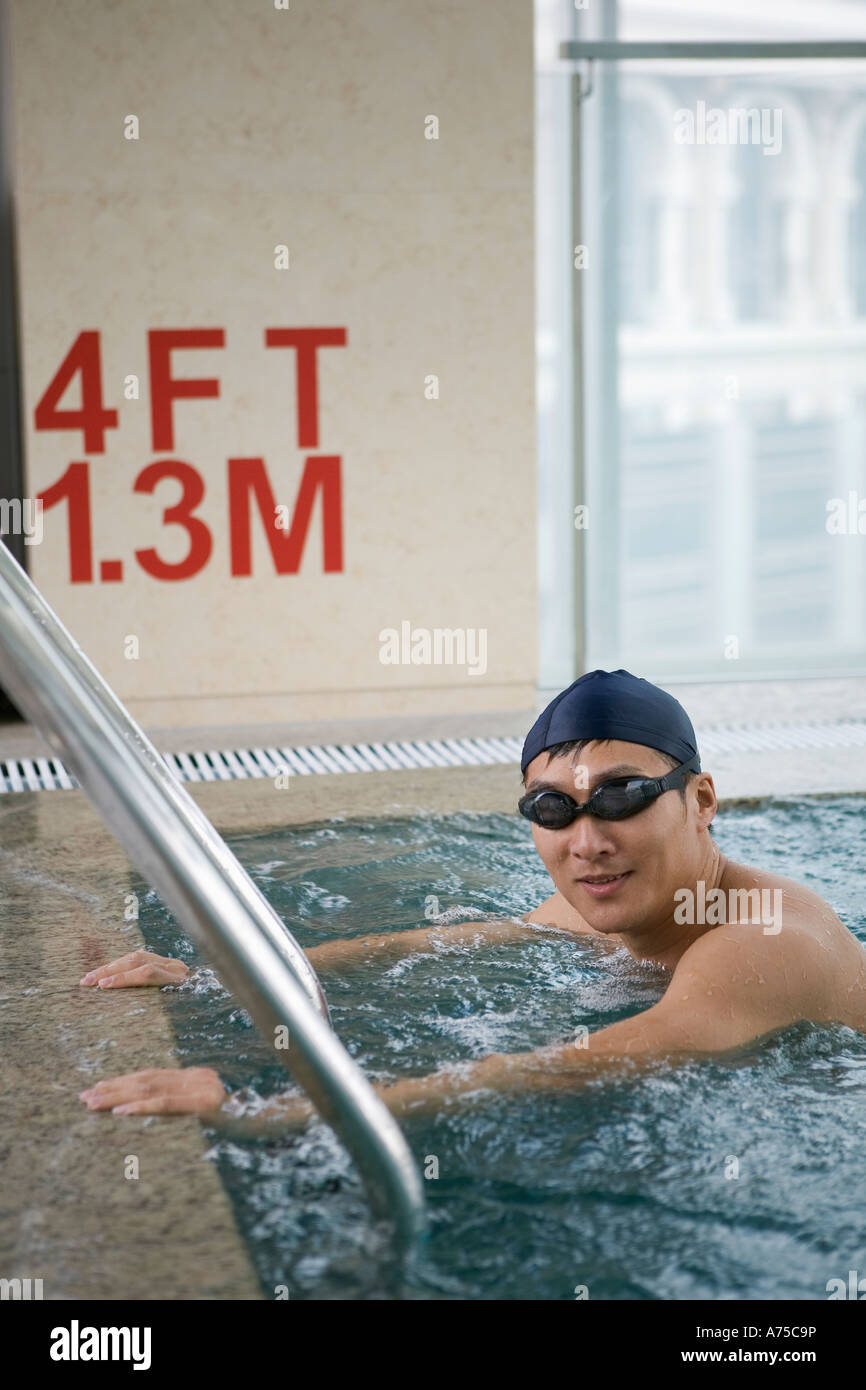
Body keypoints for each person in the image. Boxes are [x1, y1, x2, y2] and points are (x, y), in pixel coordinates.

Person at [78, 669, 866, 1131]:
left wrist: (274, 1110)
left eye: (622, 796)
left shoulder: (764, 942)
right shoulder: (618, 905)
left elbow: (583, 1065)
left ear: (700, 800)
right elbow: (438, 944)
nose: (587, 841)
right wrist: (215, 972)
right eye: (553, 809)